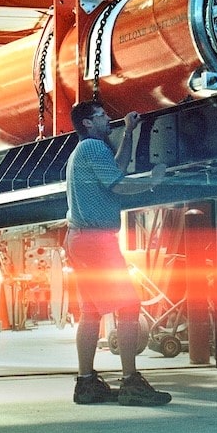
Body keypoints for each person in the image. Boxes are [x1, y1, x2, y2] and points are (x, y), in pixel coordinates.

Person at [66, 100, 171, 407]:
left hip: (79, 239)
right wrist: (152, 184)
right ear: (88, 123)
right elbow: (118, 185)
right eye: (102, 116)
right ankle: (130, 383)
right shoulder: (92, 148)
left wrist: (128, 132)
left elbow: (116, 168)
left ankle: (86, 383)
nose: (108, 118)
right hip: (97, 240)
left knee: (90, 313)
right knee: (128, 306)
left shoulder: (85, 152)